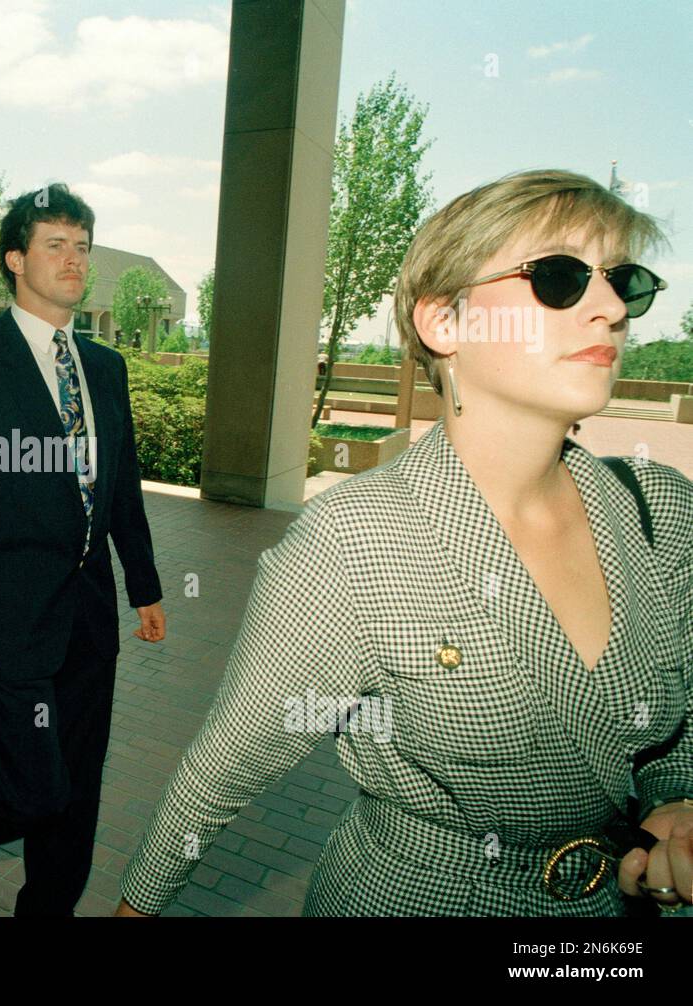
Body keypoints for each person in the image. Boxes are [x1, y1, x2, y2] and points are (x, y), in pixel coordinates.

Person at [116, 168, 692, 917]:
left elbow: (673, 736)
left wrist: (676, 802)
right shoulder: (353, 542)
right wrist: (136, 907)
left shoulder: (660, 512)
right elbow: (226, 766)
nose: (612, 309)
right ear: (443, 323)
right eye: (560, 277)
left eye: (623, 281)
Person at [0, 183, 167, 916]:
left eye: (82, 246)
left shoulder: (106, 369)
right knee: (36, 787)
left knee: (77, 795)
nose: (74, 260)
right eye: (55, 244)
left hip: (88, 617)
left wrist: (143, 585)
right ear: (15, 258)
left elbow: (121, 490)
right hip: (3, 622)